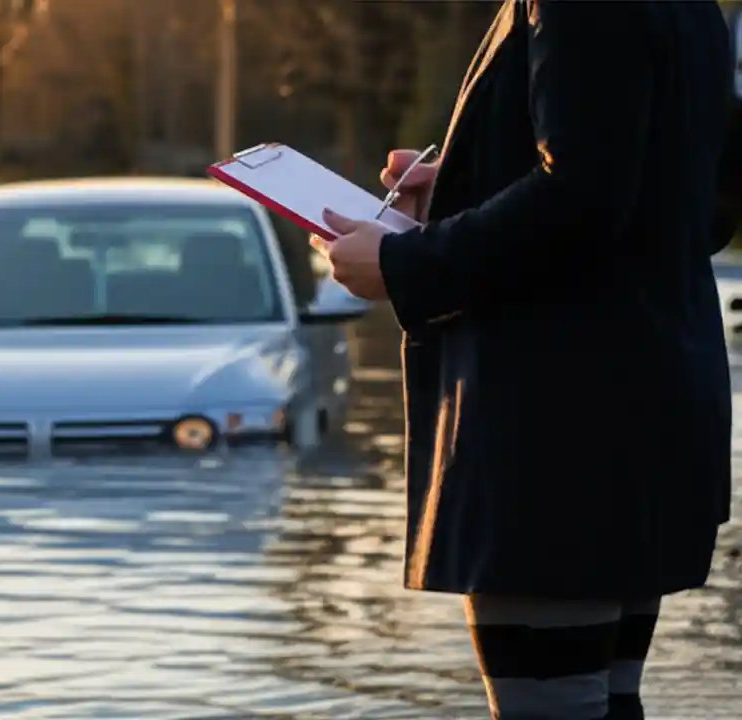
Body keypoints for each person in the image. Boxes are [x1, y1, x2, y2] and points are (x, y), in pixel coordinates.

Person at [314, 2, 739, 718]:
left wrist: (405, 262)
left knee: (554, 706)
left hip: (558, 431)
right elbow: (691, 197)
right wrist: (464, 188)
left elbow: (584, 198)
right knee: (600, 702)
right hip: (643, 416)